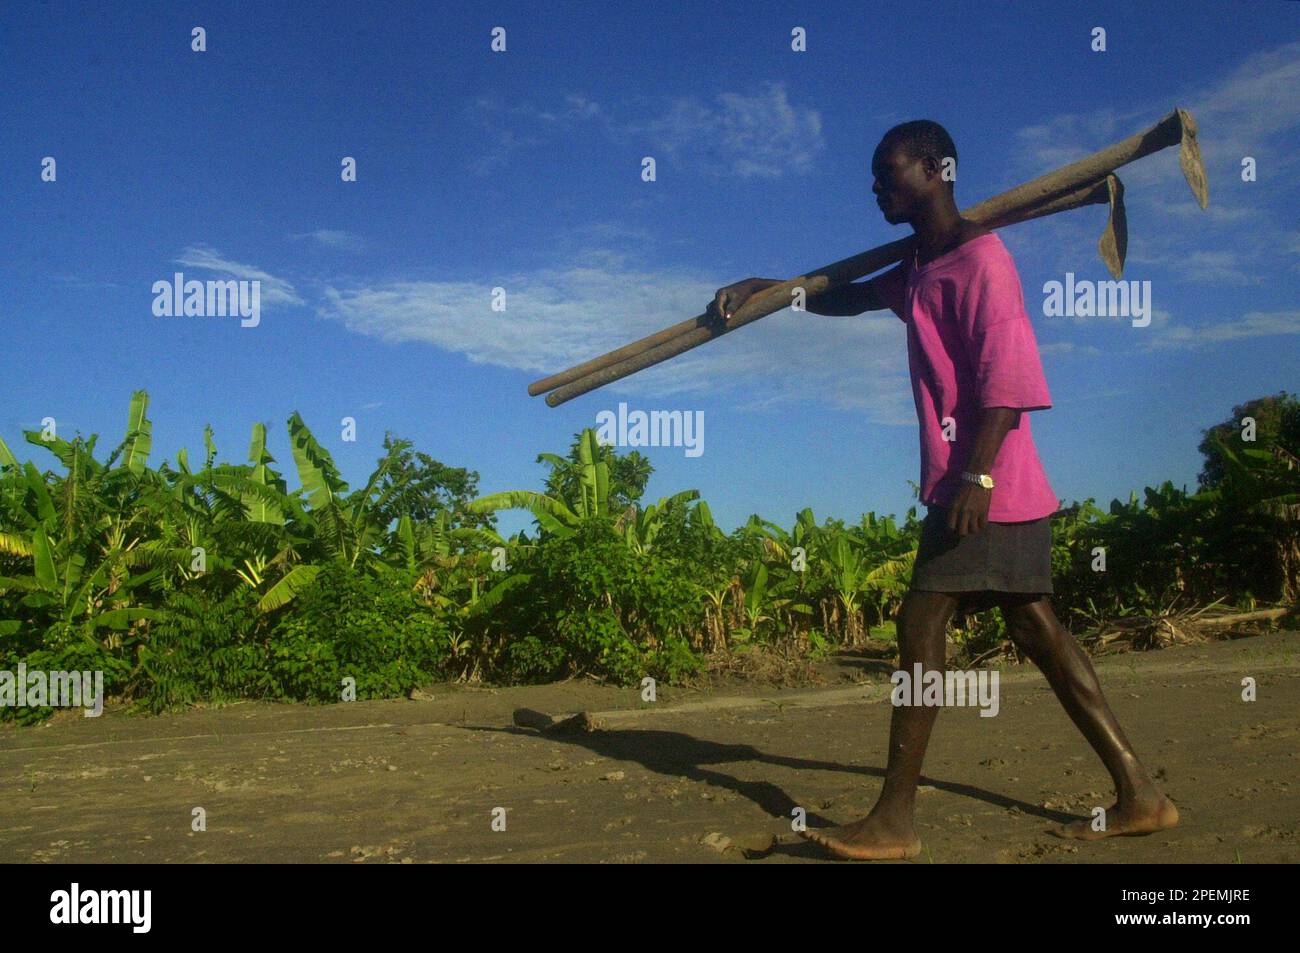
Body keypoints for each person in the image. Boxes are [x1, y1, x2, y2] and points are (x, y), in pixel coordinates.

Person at [708, 120, 1178, 860]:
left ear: (936, 168)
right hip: (991, 484)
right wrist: (769, 289)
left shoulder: (983, 261)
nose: (875, 188)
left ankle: (895, 817)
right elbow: (849, 298)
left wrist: (977, 475)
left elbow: (1008, 384)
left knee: (920, 624)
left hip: (987, 482)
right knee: (1038, 631)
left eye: (887, 173)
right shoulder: (924, 265)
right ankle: (1141, 791)